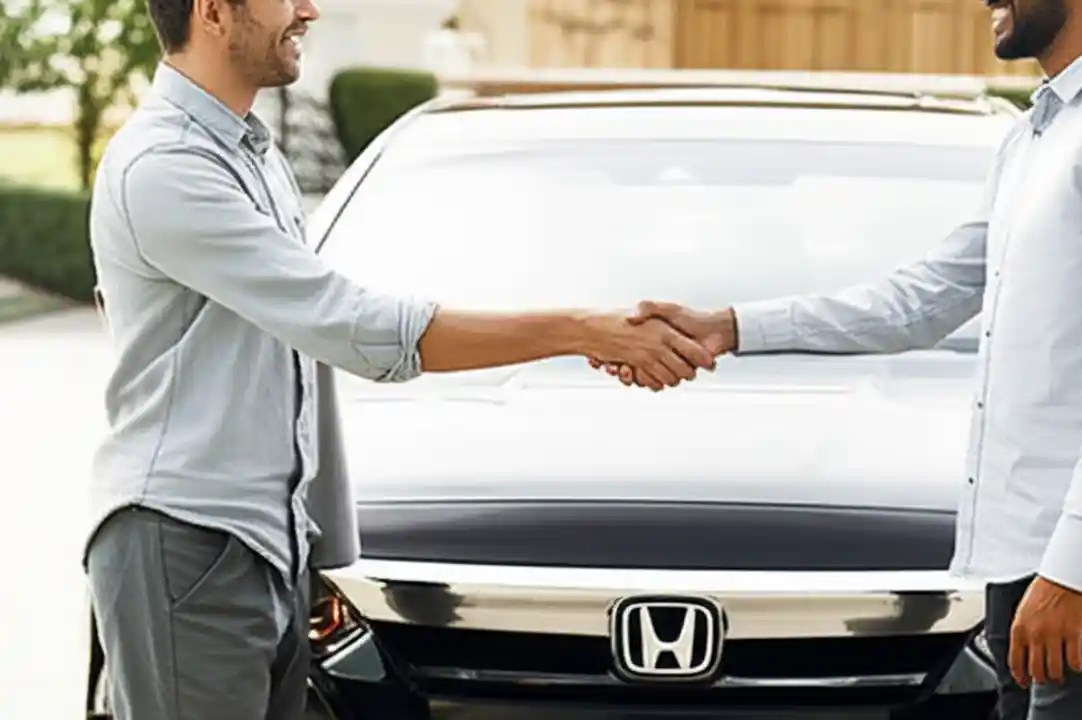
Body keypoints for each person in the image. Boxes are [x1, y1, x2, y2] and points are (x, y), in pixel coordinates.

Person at [83, 1, 716, 718]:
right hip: (189, 544)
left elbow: (297, 360)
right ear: (214, 12)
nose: (307, 9)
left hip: (263, 546)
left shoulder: (249, 154)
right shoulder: (166, 168)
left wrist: (314, 549)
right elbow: (354, 327)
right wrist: (582, 330)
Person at [597, 0, 1082, 717]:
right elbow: (917, 301)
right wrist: (730, 327)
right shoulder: (1036, 137)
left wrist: (1075, 570)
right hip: (1029, 557)